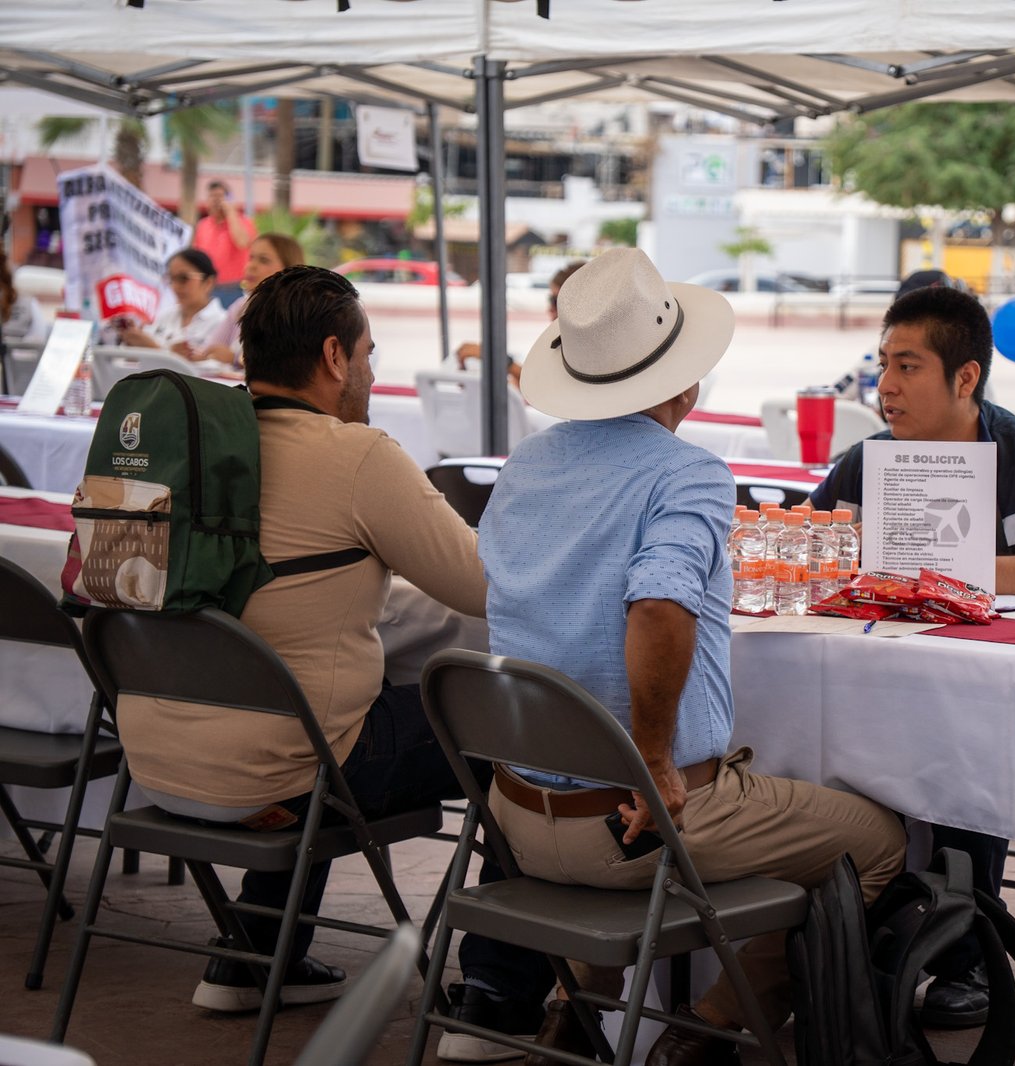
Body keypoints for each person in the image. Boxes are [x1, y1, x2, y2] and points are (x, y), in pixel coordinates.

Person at [113, 265, 552, 1063]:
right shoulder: (357, 456)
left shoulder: (189, 446)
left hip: (152, 762)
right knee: (514, 730)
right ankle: (499, 996)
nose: (376, 374)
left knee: (328, 692)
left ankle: (248, 956)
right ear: (334, 357)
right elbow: (488, 589)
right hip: (279, 781)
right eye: (371, 355)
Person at [477, 249, 905, 1066]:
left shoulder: (524, 465)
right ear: (686, 385)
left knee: (628, 813)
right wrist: (654, 758)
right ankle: (707, 1029)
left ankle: (582, 1007)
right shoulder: (688, 473)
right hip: (634, 828)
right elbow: (661, 609)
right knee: (879, 840)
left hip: (516, 817)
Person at [809, 284, 1015, 1029]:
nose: (886, 387)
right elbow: (812, 553)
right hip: (876, 685)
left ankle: (967, 950)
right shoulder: (864, 463)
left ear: (966, 378)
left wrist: (913, 560)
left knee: (955, 743)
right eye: (883, 364)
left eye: (907, 366)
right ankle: (843, 940)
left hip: (1006, 696)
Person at [455, 259, 586, 389]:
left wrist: (498, 360)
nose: (549, 308)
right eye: (550, 300)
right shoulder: (565, 341)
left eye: (555, 300)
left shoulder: (583, 347)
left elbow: (544, 389)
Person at [197, 234, 304, 366]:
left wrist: (234, 358)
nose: (251, 266)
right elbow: (212, 348)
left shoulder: (295, 313)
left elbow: (285, 365)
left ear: (289, 270)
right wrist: (190, 354)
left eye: (264, 260)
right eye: (251, 258)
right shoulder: (241, 305)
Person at [118, 248, 227, 360]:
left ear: (208, 282)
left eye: (183, 279)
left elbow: (209, 369)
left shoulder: (222, 322)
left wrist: (155, 349)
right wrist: (132, 339)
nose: (175, 286)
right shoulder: (165, 316)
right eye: (171, 279)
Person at [192, 181, 258, 306]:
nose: (216, 201)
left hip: (234, 289)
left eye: (220, 196)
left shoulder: (243, 221)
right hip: (208, 288)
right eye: (212, 196)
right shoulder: (203, 225)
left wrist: (231, 212)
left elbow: (242, 242)